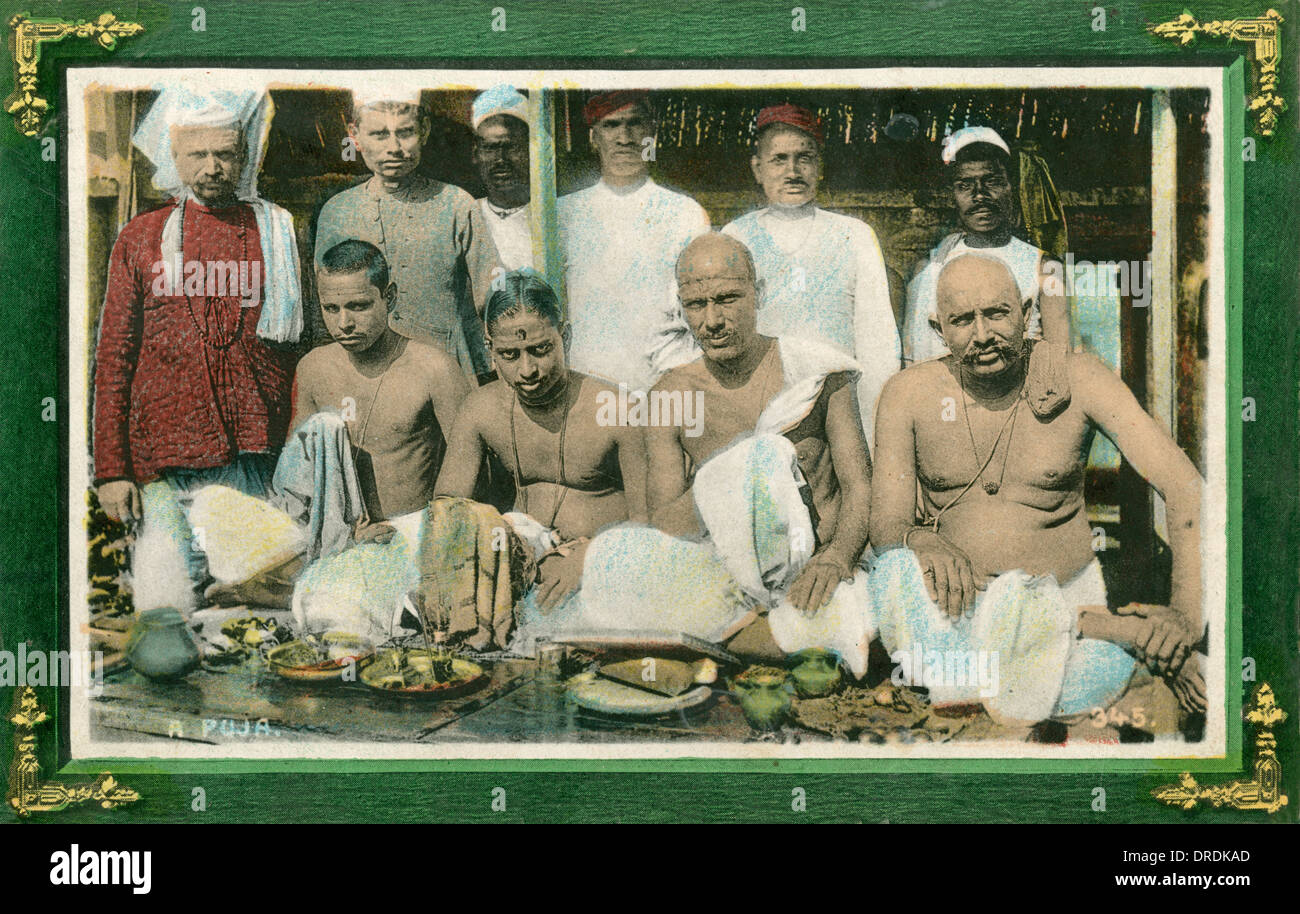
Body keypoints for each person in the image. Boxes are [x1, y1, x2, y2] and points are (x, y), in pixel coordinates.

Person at [870, 253, 1205, 726]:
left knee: (988, 694)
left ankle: (1066, 646)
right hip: (958, 610)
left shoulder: (1079, 377)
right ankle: (1103, 636)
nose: (983, 334)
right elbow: (886, 523)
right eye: (963, 320)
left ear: (1027, 313)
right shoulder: (907, 394)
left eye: (997, 313)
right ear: (937, 327)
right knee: (892, 571)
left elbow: (1185, 486)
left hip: (1059, 600)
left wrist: (1186, 618)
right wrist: (921, 539)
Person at [93, 86, 304, 610]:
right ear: (175, 156)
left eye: (225, 154)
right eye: (198, 155)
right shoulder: (139, 238)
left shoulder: (273, 232)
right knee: (167, 614)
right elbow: (114, 357)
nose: (213, 167)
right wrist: (111, 470)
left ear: (243, 156)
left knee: (251, 606)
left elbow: (299, 352)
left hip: (251, 457)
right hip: (161, 458)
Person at [643, 233, 876, 670]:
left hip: (821, 573)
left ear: (759, 293)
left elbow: (861, 486)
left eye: (728, 298)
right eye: (697, 305)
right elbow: (665, 526)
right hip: (725, 579)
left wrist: (836, 559)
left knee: (868, 607)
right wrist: (733, 484)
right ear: (682, 307)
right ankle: (795, 644)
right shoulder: (671, 395)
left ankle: (761, 643)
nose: (712, 320)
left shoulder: (818, 372)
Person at [200, 240, 470, 613]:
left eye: (359, 306)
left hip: (405, 534)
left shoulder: (433, 368)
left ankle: (291, 590)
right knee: (211, 505)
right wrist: (329, 532)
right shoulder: (314, 367)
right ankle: (301, 577)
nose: (343, 322)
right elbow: (297, 480)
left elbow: (469, 473)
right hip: (331, 536)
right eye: (331, 308)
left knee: (354, 602)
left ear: (388, 297)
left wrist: (415, 531)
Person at [435, 269, 648, 623]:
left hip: (601, 566)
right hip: (517, 564)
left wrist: (592, 557)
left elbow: (651, 518)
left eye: (540, 349)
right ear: (490, 350)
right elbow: (447, 508)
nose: (527, 369)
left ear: (565, 335)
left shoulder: (618, 409)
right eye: (510, 355)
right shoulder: (480, 410)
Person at [722, 103, 900, 450]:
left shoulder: (853, 235)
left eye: (804, 158)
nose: (793, 171)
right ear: (757, 169)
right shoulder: (736, 236)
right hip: (762, 409)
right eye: (779, 159)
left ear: (820, 166)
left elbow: (877, 340)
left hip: (838, 412)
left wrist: (872, 429)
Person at [314, 88, 498, 379]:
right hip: (363, 377)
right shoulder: (337, 212)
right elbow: (324, 309)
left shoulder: (457, 204)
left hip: (448, 372)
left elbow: (491, 299)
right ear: (355, 136)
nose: (394, 148)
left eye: (405, 132)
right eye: (379, 135)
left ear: (423, 132)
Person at [557, 90, 711, 391]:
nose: (624, 137)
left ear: (651, 134)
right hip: (585, 386)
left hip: (663, 384)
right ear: (593, 137)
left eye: (635, 124)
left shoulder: (685, 214)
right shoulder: (564, 213)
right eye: (611, 125)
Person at [902, 126, 1070, 366]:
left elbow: (1060, 360)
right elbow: (912, 362)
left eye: (992, 181)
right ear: (952, 195)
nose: (979, 195)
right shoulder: (928, 269)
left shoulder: (1043, 268)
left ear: (1011, 187)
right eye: (965, 185)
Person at [471, 84, 533, 271]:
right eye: (490, 148)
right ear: (475, 155)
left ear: (530, 151)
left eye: (511, 147)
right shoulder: (466, 217)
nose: (500, 159)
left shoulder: (553, 216)